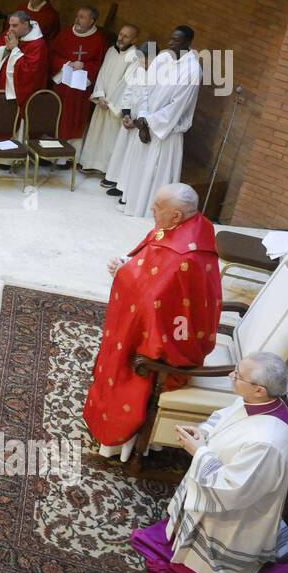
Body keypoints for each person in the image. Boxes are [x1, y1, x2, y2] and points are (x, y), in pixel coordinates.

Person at [132, 352, 288, 573]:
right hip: (220, 486)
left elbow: (232, 490)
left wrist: (199, 452)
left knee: (203, 566)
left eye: (237, 375)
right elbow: (222, 419)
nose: (230, 376)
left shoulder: (266, 442)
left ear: (259, 389)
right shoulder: (255, 401)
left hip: (232, 517)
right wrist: (202, 433)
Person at [83, 183, 222, 459]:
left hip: (168, 345)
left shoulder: (186, 256)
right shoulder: (193, 227)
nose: (151, 210)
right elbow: (152, 260)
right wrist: (128, 262)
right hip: (171, 325)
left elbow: (156, 305)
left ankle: (123, 439)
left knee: (128, 363)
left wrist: (124, 273)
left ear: (177, 217)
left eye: (158, 207)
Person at [118, 26, 202, 219]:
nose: (170, 43)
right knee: (140, 169)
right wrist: (143, 118)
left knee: (156, 175)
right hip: (146, 125)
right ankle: (132, 205)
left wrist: (148, 122)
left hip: (166, 132)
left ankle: (152, 215)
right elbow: (147, 88)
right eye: (171, 39)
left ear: (188, 43)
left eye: (176, 40)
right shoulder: (163, 59)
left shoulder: (192, 70)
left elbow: (177, 106)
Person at [81, 25, 145, 177]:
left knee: (110, 137)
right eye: (120, 34)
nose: (121, 38)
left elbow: (127, 82)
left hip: (114, 105)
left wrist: (110, 102)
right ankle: (89, 163)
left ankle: (106, 169)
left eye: (126, 36)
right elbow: (102, 73)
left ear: (134, 39)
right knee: (96, 133)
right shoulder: (111, 50)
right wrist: (100, 94)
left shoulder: (136, 56)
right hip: (102, 100)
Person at [46, 6, 108, 157]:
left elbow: (100, 64)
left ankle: (67, 157)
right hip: (62, 85)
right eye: (77, 16)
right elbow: (52, 54)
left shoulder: (98, 40)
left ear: (92, 21)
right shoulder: (66, 33)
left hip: (80, 90)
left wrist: (85, 66)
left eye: (82, 17)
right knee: (57, 116)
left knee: (75, 119)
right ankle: (49, 152)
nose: (77, 19)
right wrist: (67, 63)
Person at [0, 10, 49, 113]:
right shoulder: (10, 34)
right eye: (9, 25)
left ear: (25, 24)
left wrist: (15, 49)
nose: (10, 29)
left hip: (18, 93)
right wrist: (6, 49)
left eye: (14, 25)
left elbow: (30, 72)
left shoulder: (38, 45)